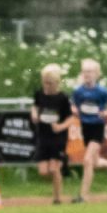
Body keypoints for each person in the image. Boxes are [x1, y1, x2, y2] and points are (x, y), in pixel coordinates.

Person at [72, 58, 107, 203]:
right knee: (95, 162)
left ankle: (83, 195)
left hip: (97, 127)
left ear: (97, 74)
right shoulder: (78, 91)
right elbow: (73, 105)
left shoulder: (102, 91)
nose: (87, 75)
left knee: (87, 160)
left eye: (90, 72)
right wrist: (74, 110)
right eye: (85, 72)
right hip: (85, 127)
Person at [30, 64, 75, 205]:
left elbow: (71, 118)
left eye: (50, 83)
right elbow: (35, 106)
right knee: (43, 171)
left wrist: (60, 126)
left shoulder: (63, 98)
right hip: (43, 135)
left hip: (58, 137)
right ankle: (63, 170)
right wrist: (34, 115)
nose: (47, 86)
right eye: (44, 82)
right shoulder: (39, 94)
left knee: (54, 168)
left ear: (56, 83)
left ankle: (57, 198)